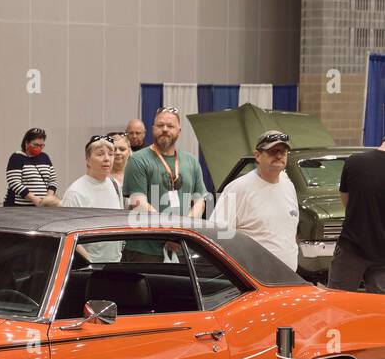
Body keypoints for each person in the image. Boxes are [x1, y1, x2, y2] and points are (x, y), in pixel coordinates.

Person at [122, 108, 207, 261]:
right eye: (160, 125)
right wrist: (170, 233)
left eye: (170, 126)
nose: (165, 129)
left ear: (179, 131)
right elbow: (139, 203)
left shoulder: (191, 161)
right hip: (144, 250)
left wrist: (182, 232)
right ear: (153, 128)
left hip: (182, 249)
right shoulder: (138, 160)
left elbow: (200, 201)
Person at [212, 131, 299, 271]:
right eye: (272, 151)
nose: (278, 156)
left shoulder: (288, 184)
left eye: (283, 152)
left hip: (288, 278)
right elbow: (218, 235)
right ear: (257, 155)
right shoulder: (238, 188)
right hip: (255, 280)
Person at [329, 136, 385, 293]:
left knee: (337, 304)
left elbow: (346, 202)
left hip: (352, 248)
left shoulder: (355, 162)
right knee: (380, 310)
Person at [62, 136, 124, 263]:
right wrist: (89, 261)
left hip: (115, 261)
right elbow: (66, 234)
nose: (107, 159)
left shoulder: (114, 184)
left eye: (110, 154)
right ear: (88, 160)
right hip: (89, 264)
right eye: (100, 154)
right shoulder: (75, 192)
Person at [4, 128, 59, 207]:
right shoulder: (17, 157)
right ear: (26, 143)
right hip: (19, 206)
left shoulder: (45, 157)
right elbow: (14, 182)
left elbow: (53, 180)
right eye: (36, 145)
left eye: (41, 145)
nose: (39, 148)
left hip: (43, 206)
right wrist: (34, 199)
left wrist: (48, 198)